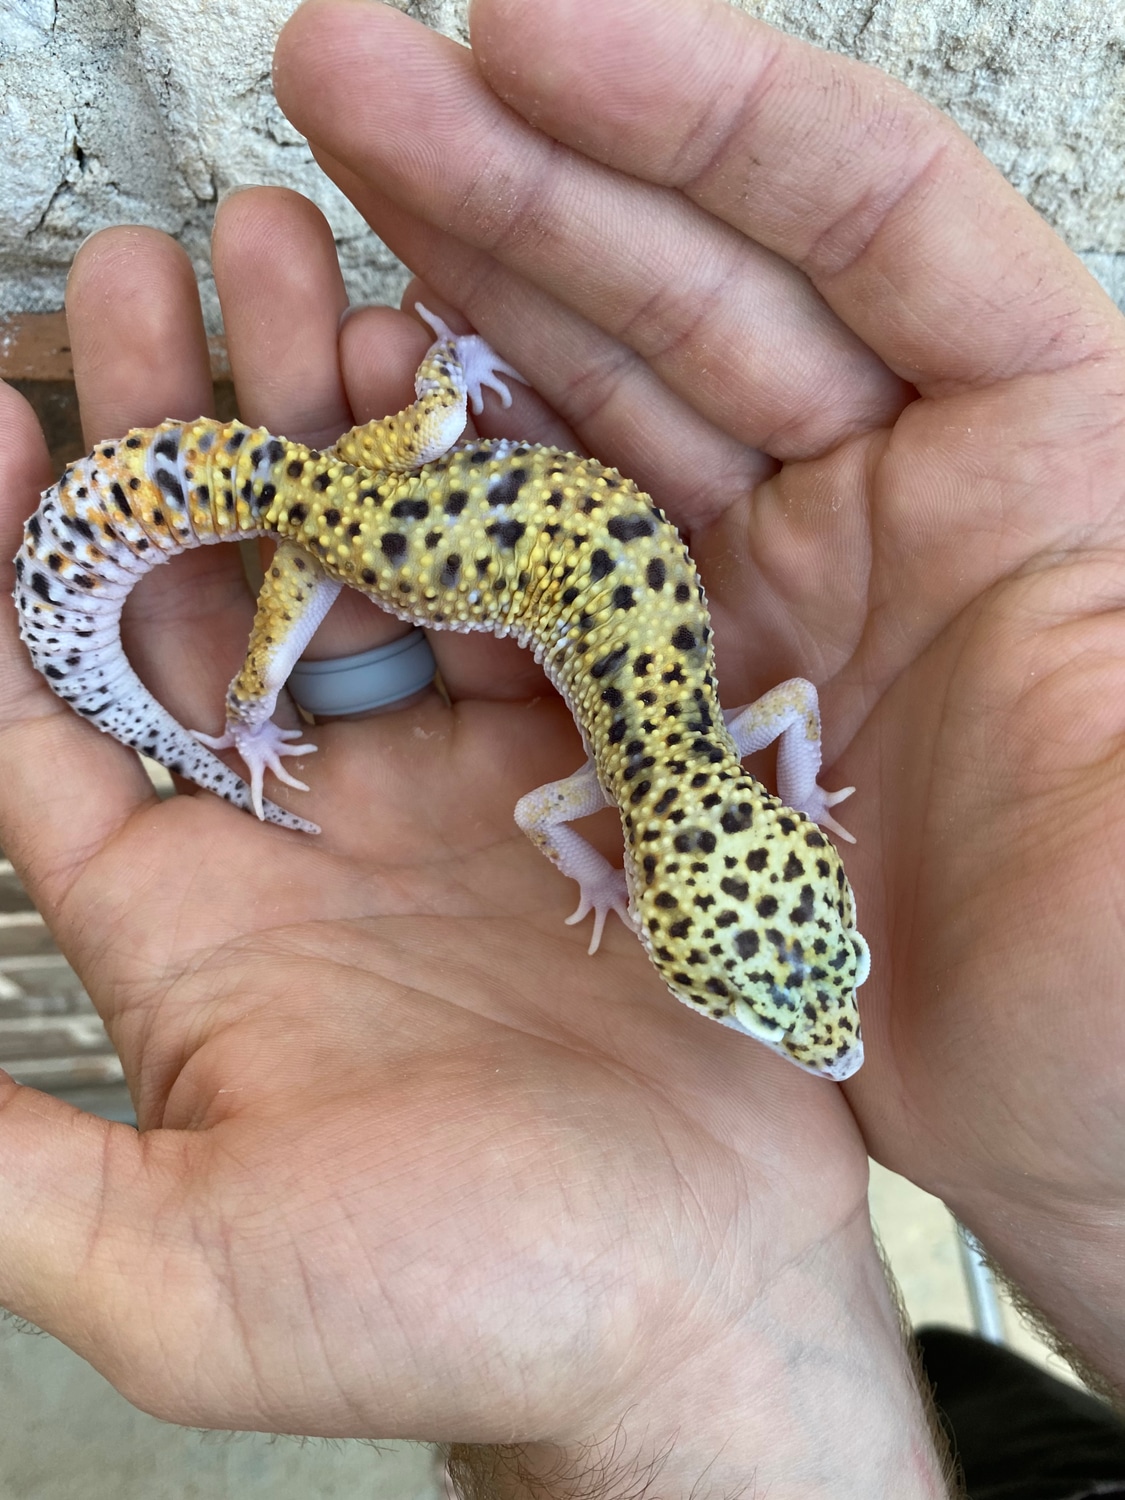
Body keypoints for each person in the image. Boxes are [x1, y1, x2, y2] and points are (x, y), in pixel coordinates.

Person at [0, 0, 1123, 1493]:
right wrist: (255, 706)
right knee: (299, 583)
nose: (830, 1041)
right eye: (799, 982)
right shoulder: (645, 782)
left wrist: (446, 403)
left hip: (430, 482)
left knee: (342, 499)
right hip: (382, 545)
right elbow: (592, 798)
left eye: (801, 990)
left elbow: (761, 739)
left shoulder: (723, 756)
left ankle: (416, 425)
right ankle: (253, 672)